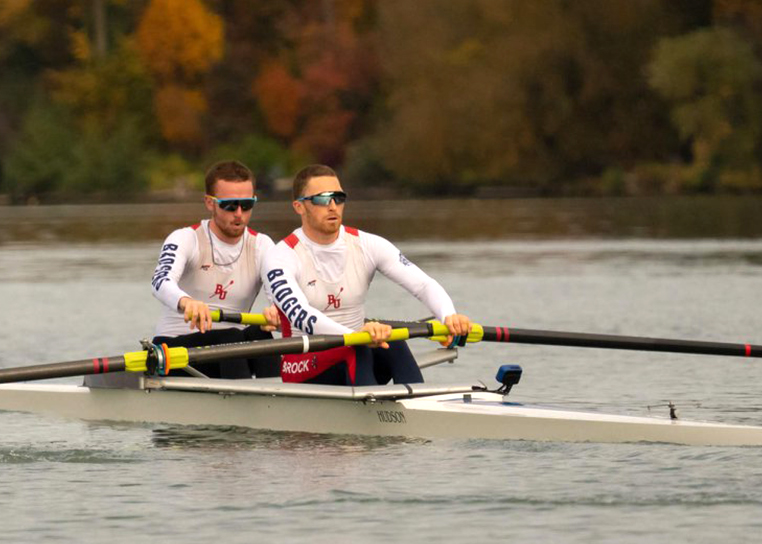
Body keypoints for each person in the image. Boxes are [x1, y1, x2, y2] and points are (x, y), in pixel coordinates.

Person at [261, 164, 473, 386]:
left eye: (338, 197)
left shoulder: (368, 244)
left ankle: (418, 408)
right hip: (302, 363)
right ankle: (377, 412)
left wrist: (449, 317)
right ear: (299, 207)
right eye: (322, 199)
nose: (333, 206)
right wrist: (356, 336)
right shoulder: (281, 257)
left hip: (358, 349)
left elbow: (423, 286)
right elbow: (302, 316)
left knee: (395, 339)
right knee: (356, 348)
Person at [86, 160, 280, 387]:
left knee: (262, 337)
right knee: (232, 338)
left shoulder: (263, 245)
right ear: (210, 203)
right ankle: (250, 407)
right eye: (230, 205)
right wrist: (186, 302)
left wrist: (277, 309)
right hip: (175, 351)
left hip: (230, 354)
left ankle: (276, 400)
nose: (239, 213)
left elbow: (280, 290)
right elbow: (160, 281)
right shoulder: (185, 239)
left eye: (247, 205)